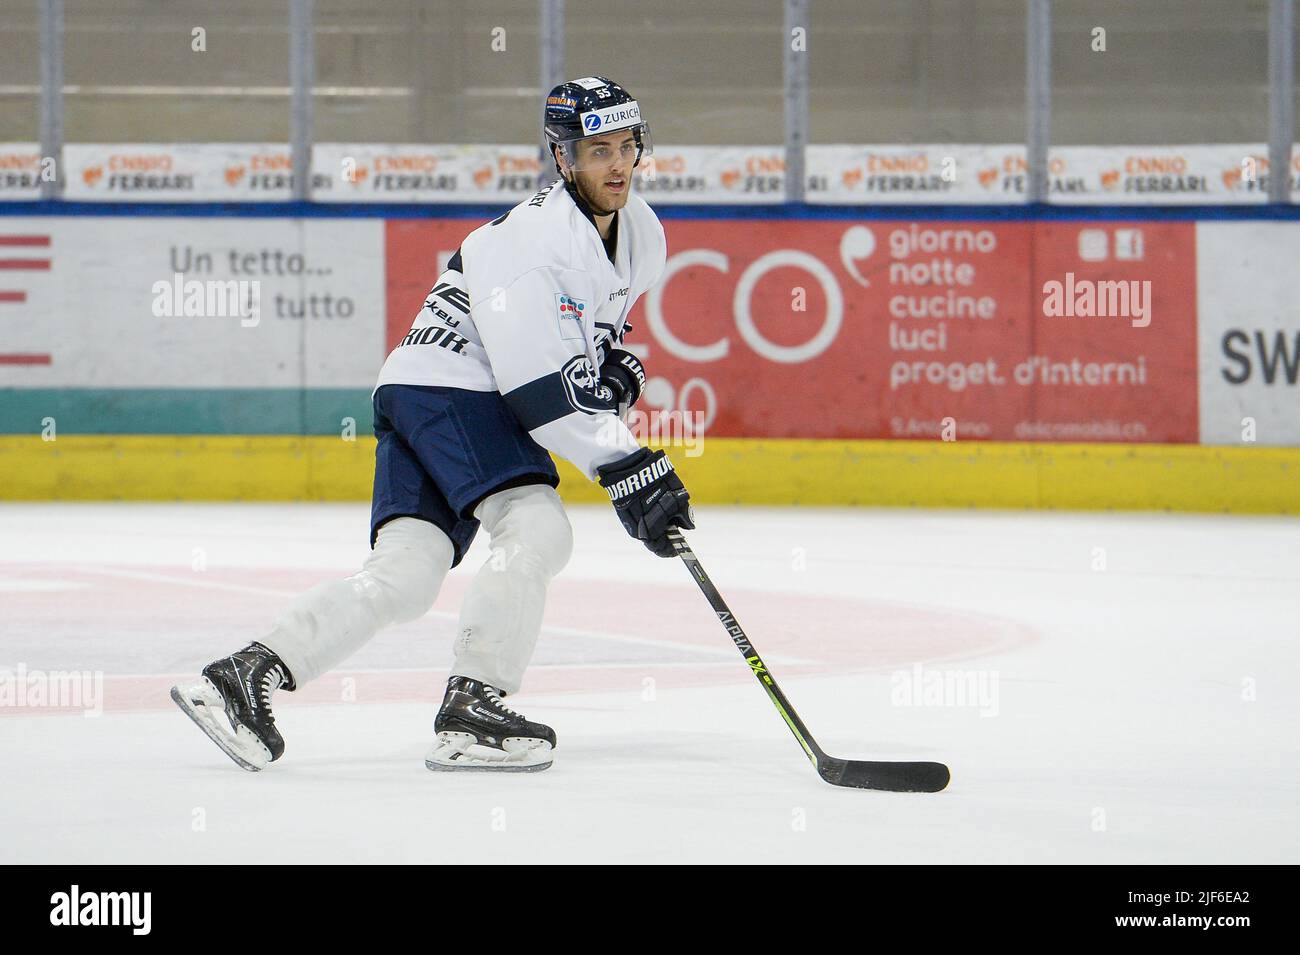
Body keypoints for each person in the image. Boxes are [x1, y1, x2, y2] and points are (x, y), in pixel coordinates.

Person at [171, 76, 694, 774]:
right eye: (597, 149)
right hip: (452, 386)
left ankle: (247, 673)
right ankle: (474, 702)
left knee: (407, 573)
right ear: (562, 156)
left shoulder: (643, 236)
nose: (618, 164)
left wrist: (609, 376)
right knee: (536, 525)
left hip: (425, 389)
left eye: (627, 146)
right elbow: (536, 391)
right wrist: (629, 466)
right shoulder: (533, 238)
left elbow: (572, 353)